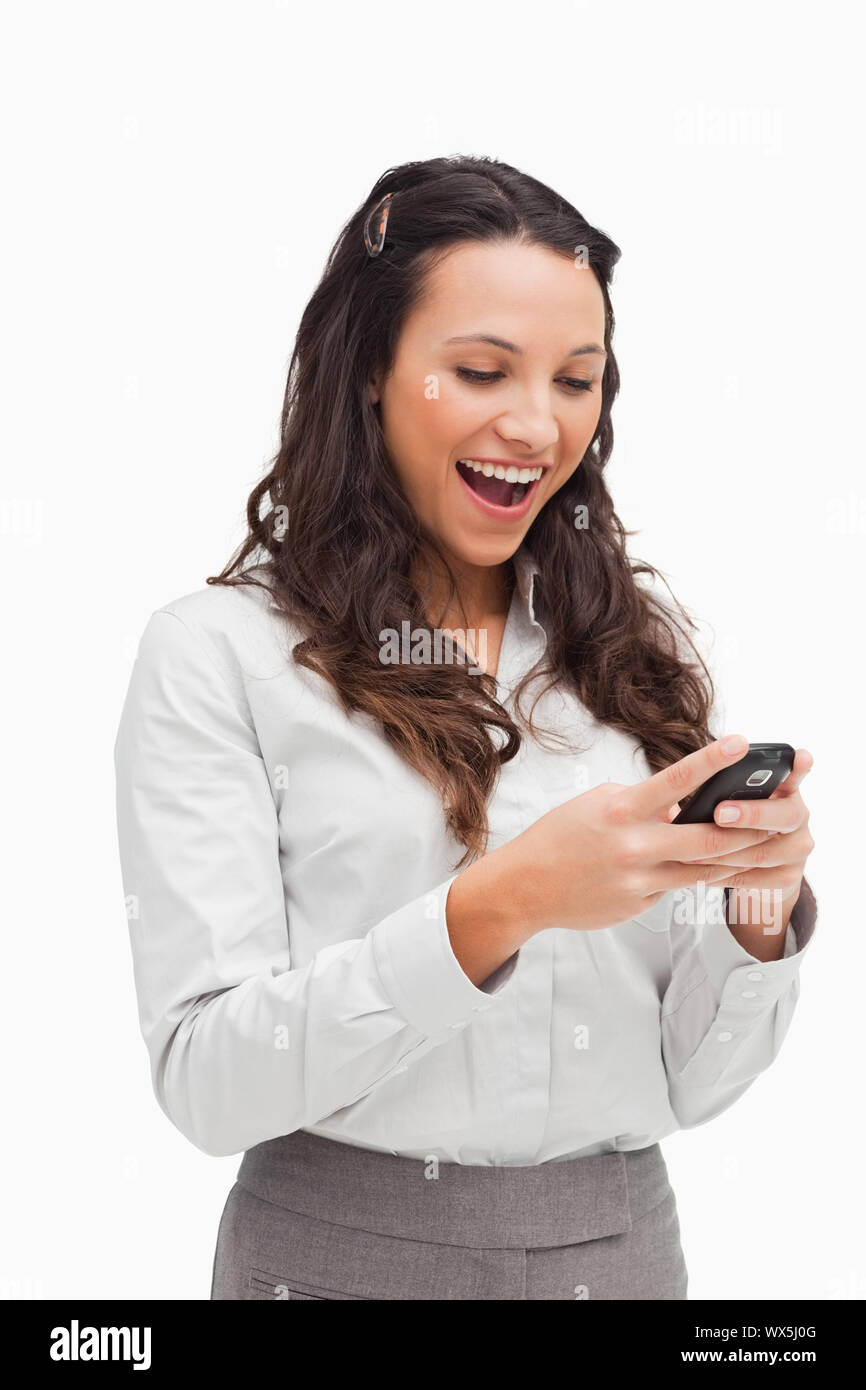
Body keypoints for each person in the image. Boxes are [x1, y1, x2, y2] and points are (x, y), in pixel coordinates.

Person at [113, 155, 817, 1301]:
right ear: (369, 375)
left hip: (621, 1259)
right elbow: (206, 1081)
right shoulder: (217, 655)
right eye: (481, 369)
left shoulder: (637, 651)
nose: (537, 425)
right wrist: (505, 903)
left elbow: (694, 1087)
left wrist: (754, 909)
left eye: (576, 380)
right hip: (334, 1261)